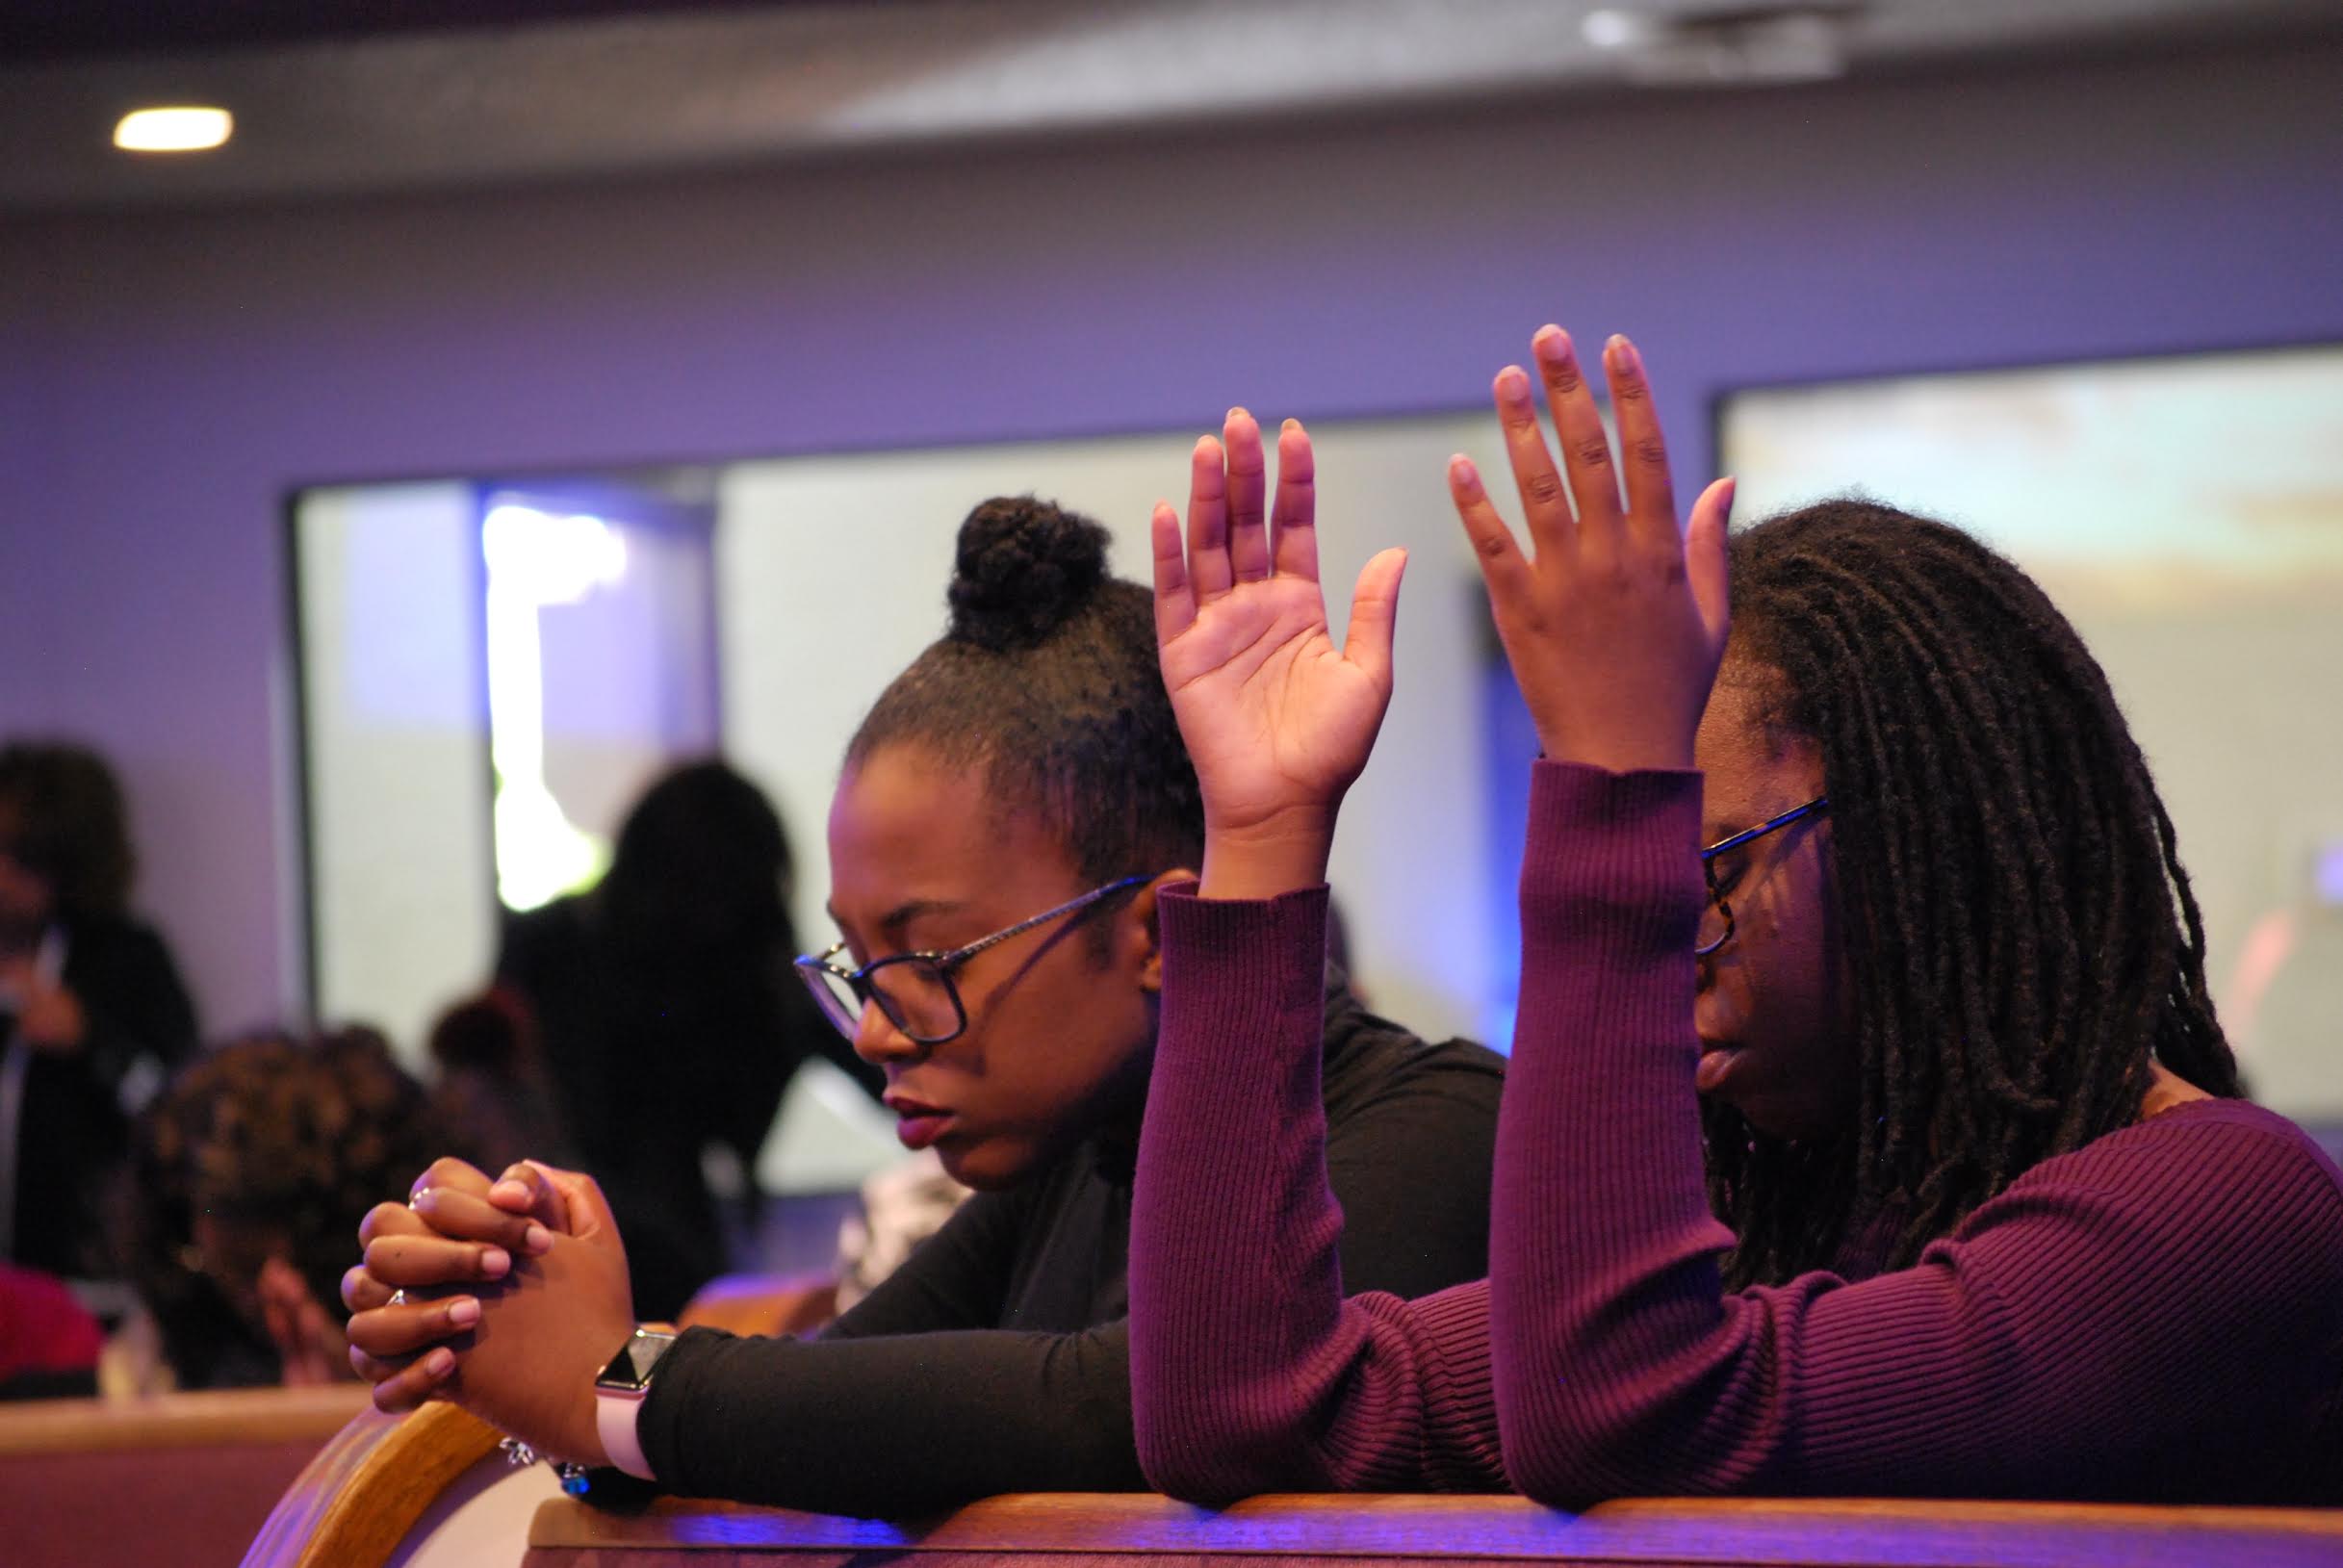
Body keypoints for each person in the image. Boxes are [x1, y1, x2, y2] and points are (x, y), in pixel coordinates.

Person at [1127, 326, 2343, 1507]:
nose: (1664, 964)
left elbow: (1615, 1420)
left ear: (1913, 840)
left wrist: (1614, 776)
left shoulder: (2219, 1209)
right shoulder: (1784, 1219)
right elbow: (1236, 1413)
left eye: (1697, 876)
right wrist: (1261, 837)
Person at [336, 487, 1506, 1518]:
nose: (881, 1030)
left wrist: (619, 1378)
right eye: (855, 967)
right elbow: (786, 1422)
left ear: (1158, 934)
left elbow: (1130, 1405)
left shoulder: (1445, 1127)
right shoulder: (1071, 1161)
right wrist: (511, 1320)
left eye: (933, 964)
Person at [488, 760, 878, 1319]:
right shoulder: (753, 976)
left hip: (543, 1251)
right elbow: (882, 1066)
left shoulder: (549, 944)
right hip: (676, 1267)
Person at [116, 1029, 451, 1391]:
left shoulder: (424, 1336)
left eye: (305, 1265)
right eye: (240, 1272)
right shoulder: (147, 1361)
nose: (271, 1295)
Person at [0, 741, 199, 1281]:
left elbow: (176, 1105)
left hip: (91, 1281)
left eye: (22, 856)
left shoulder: (124, 960)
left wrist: (90, 1038)